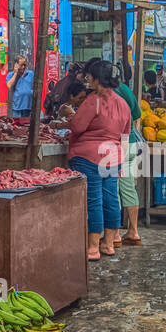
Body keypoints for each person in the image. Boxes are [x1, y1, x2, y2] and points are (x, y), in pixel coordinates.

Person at [67, 59, 130, 260]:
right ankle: (108, 244)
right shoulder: (123, 103)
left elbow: (77, 127)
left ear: (96, 79)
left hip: (90, 156)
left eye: (90, 77)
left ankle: (93, 248)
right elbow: (125, 134)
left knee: (93, 200)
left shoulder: (93, 100)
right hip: (113, 155)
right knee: (111, 198)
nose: (88, 80)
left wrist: (69, 117)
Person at [111, 61, 142, 246]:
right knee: (128, 187)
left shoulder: (107, 93)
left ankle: (114, 235)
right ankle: (134, 231)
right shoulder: (125, 89)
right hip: (129, 143)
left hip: (117, 145)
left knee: (113, 188)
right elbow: (137, 114)